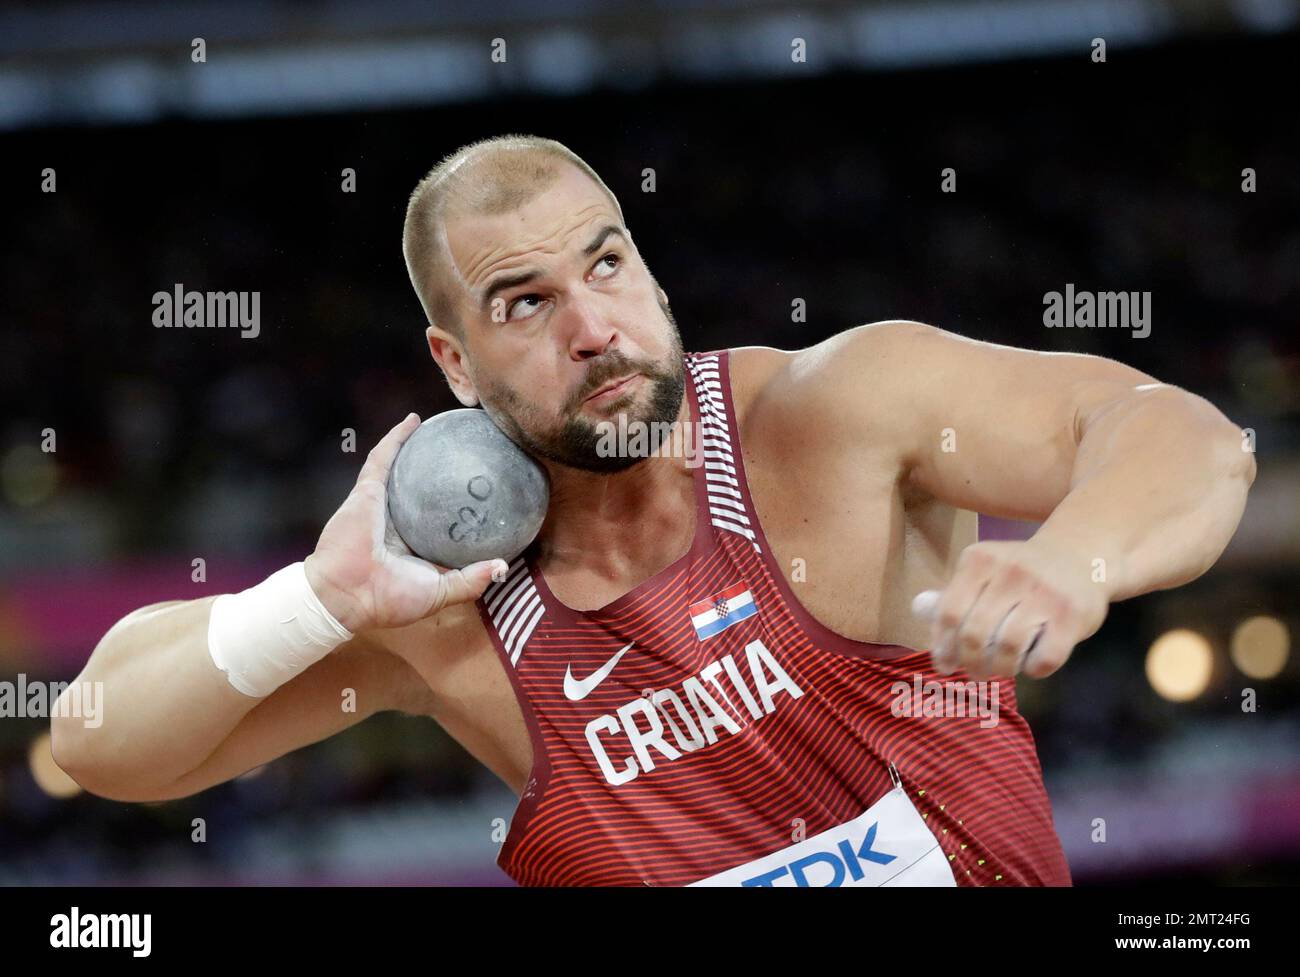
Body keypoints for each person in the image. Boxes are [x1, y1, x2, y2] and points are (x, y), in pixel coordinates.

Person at [53, 134, 1256, 887]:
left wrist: (1071, 561)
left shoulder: (834, 413)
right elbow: (101, 740)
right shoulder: (444, 610)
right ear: (455, 363)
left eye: (607, 262)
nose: (594, 326)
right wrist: (316, 601)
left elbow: (1184, 437)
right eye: (523, 303)